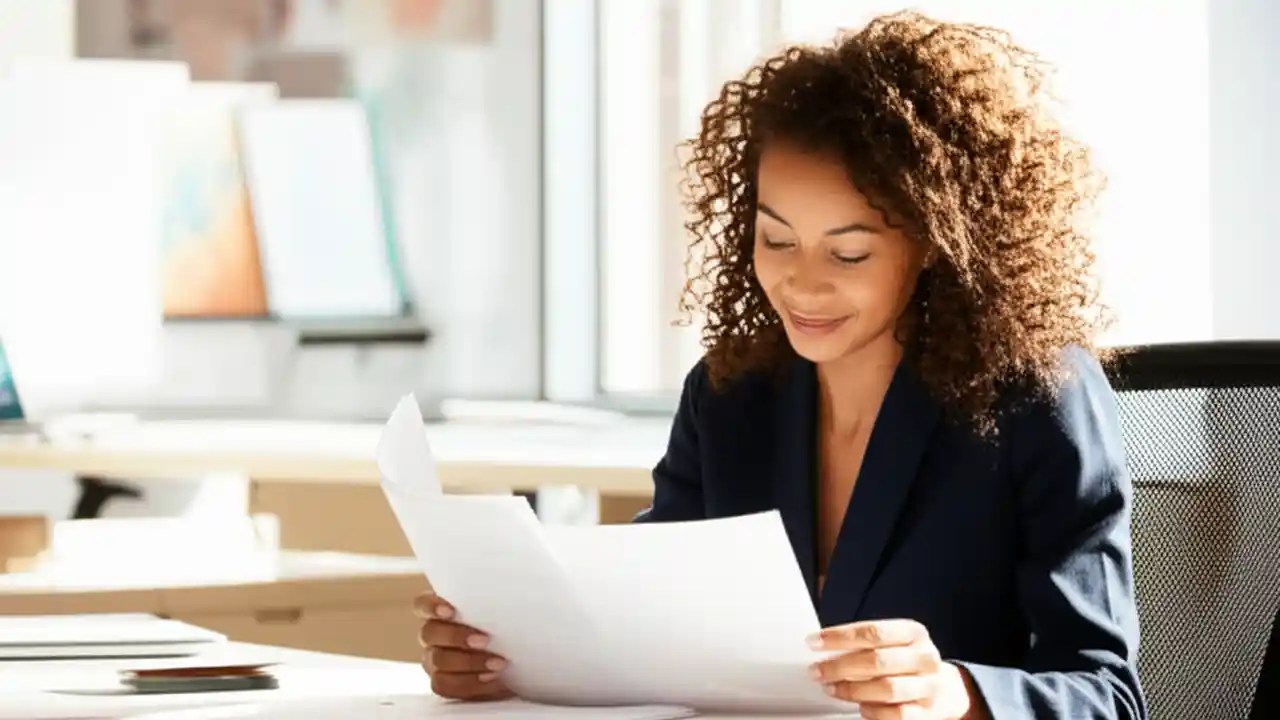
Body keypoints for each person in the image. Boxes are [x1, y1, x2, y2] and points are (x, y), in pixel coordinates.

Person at [415, 10, 1147, 720]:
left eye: (848, 252)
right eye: (776, 239)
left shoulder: (1034, 398)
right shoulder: (731, 395)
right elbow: (644, 625)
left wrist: (957, 694)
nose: (801, 283)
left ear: (934, 243)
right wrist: (510, 662)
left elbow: (1108, 695)